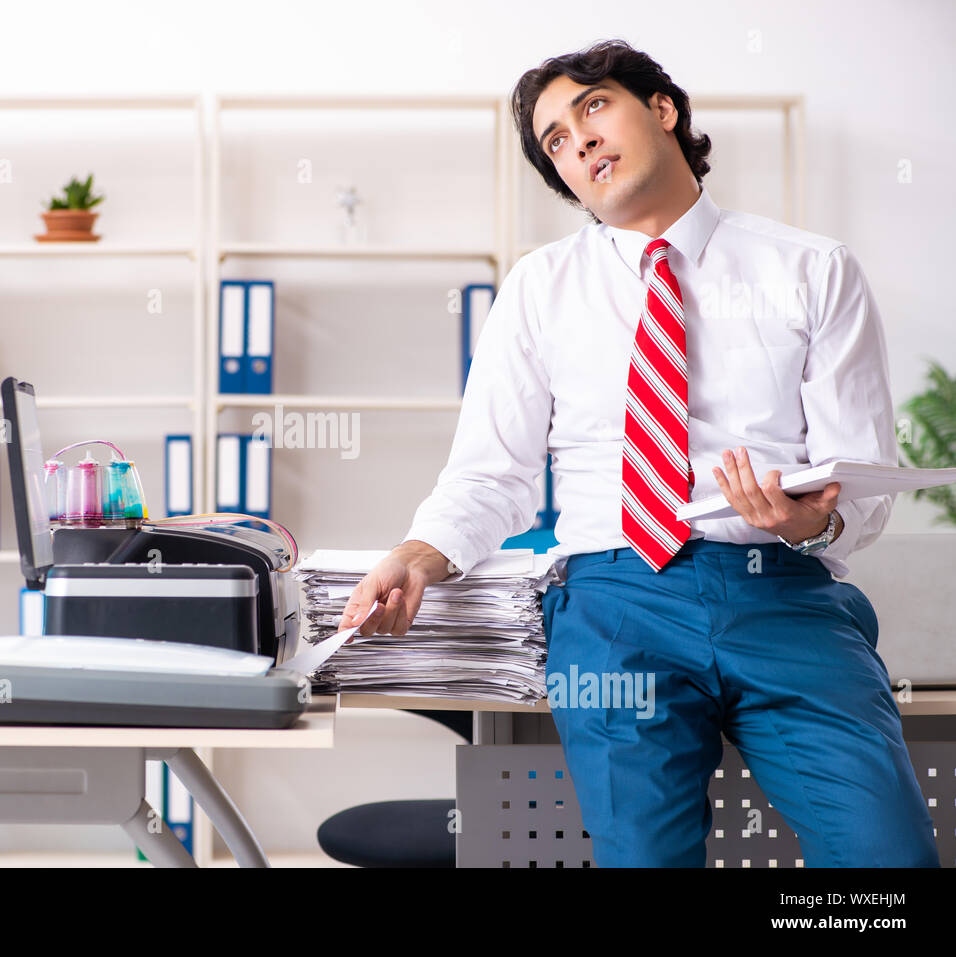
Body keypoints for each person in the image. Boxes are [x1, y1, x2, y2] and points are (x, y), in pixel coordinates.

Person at [338, 38, 939, 867]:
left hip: (786, 595)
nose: (577, 141)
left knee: (887, 868)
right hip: (616, 604)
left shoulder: (812, 270)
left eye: (593, 106)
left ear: (663, 110)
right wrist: (417, 554)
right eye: (553, 140)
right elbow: (492, 476)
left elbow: (862, 480)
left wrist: (808, 525)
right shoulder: (540, 290)